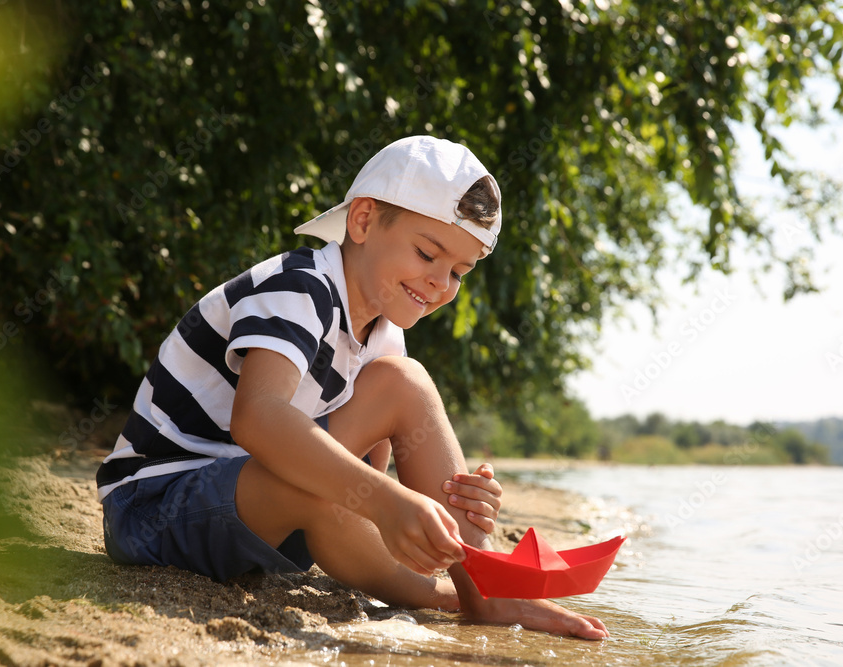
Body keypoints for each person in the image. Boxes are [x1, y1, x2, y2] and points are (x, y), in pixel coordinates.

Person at [96, 135, 608, 639]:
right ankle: (458, 595)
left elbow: (366, 470)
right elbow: (256, 416)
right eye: (428, 253)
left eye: (459, 271)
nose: (440, 282)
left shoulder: (384, 333)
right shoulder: (300, 287)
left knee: (403, 386)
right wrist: (386, 503)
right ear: (362, 221)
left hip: (256, 514)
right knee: (330, 484)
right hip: (155, 508)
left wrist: (459, 505)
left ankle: (481, 579)